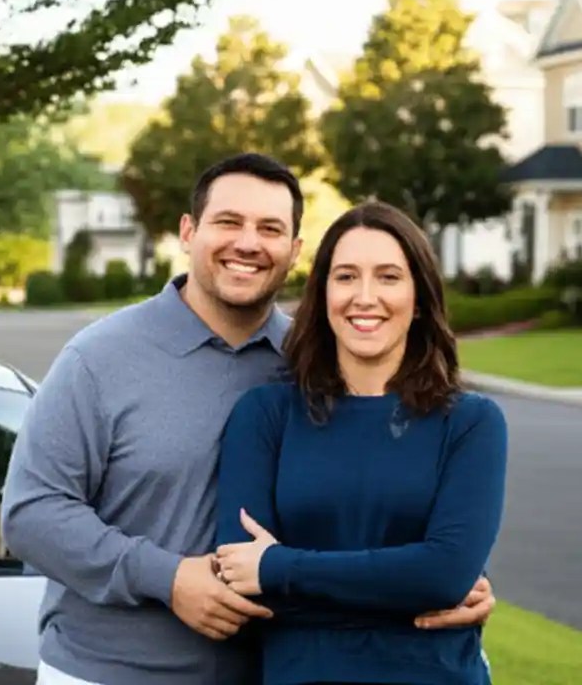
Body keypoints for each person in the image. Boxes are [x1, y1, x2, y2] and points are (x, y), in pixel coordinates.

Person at [0, 155, 496, 685]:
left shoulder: (314, 361)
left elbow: (374, 506)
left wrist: (453, 578)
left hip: (257, 669)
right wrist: (167, 578)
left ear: (295, 252)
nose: (248, 243)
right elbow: (32, 513)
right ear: (189, 232)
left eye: (270, 229)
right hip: (112, 670)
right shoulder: (99, 358)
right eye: (229, 222)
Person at [212, 200, 509, 685]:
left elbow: (446, 574)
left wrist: (281, 566)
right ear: (322, 293)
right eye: (346, 276)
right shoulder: (266, 414)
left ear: (419, 300)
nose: (364, 296)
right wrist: (406, 583)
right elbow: (245, 583)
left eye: (388, 277)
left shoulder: (471, 422)